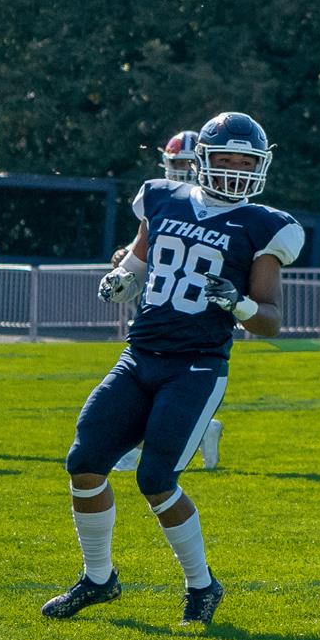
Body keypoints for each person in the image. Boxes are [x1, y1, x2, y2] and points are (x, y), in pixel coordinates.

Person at [46, 112, 303, 627]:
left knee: (157, 477)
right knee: (84, 462)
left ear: (261, 166)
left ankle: (202, 585)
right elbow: (138, 262)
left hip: (196, 366)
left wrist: (239, 305)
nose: (233, 171)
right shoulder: (162, 197)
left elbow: (271, 319)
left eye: (244, 162)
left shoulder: (265, 225)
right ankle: (99, 579)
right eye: (225, 160)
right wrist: (120, 279)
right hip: (138, 354)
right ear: (202, 160)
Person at [117, 130, 223, 473]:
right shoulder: (161, 197)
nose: (182, 170)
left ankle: (130, 450)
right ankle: (205, 429)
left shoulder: (219, 203)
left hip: (194, 319)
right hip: (157, 303)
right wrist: (128, 261)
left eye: (188, 163)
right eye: (176, 163)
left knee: (152, 384)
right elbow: (147, 245)